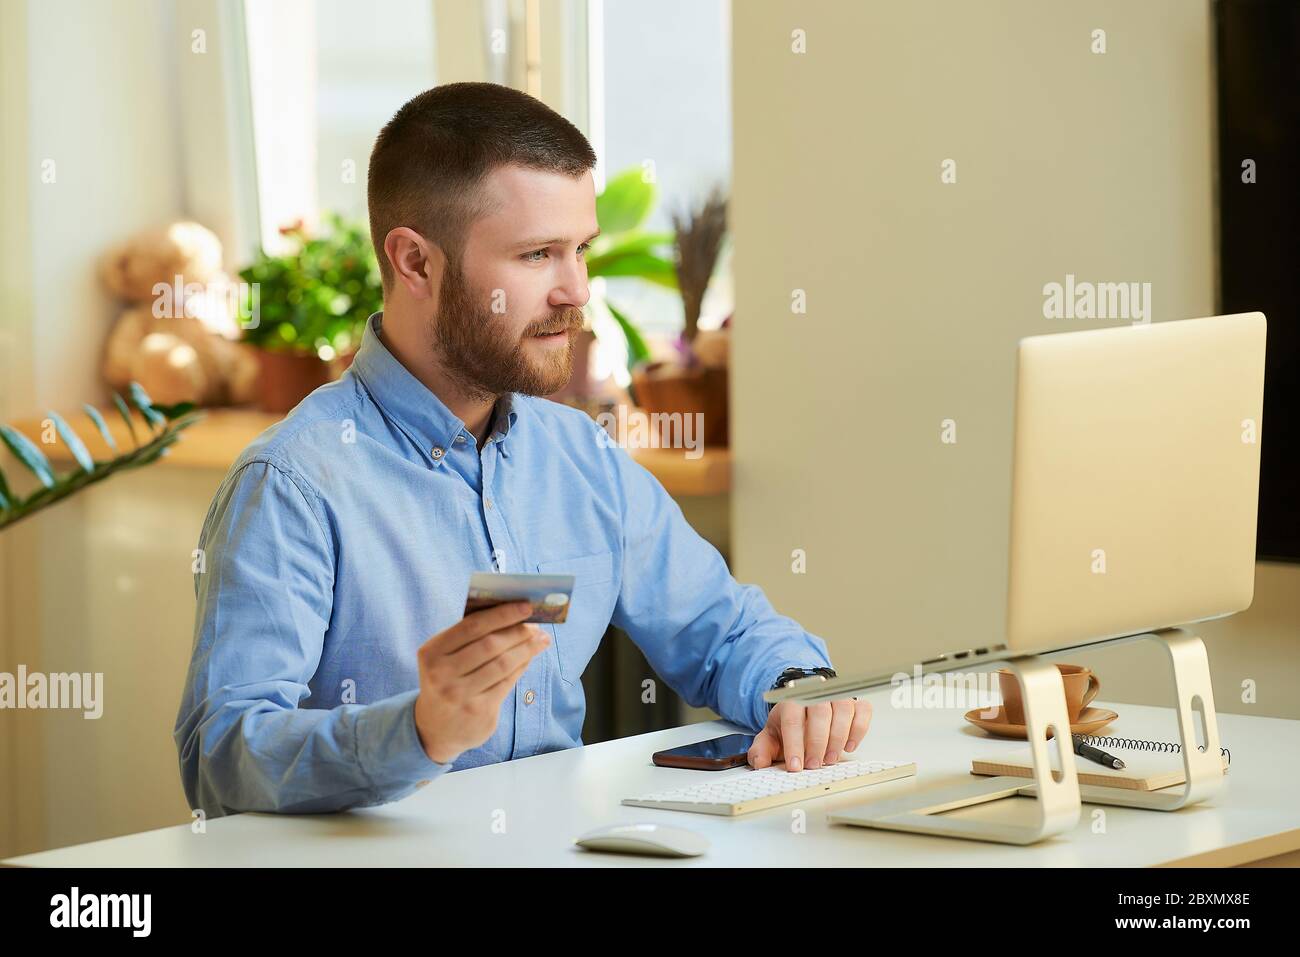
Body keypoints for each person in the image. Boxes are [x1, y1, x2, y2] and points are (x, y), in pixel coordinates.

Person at [174, 82, 870, 816]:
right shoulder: (293, 482)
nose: (576, 290)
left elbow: (726, 630)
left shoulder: (578, 456)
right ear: (415, 263)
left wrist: (797, 687)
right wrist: (414, 731)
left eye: (581, 251)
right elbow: (222, 756)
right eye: (538, 254)